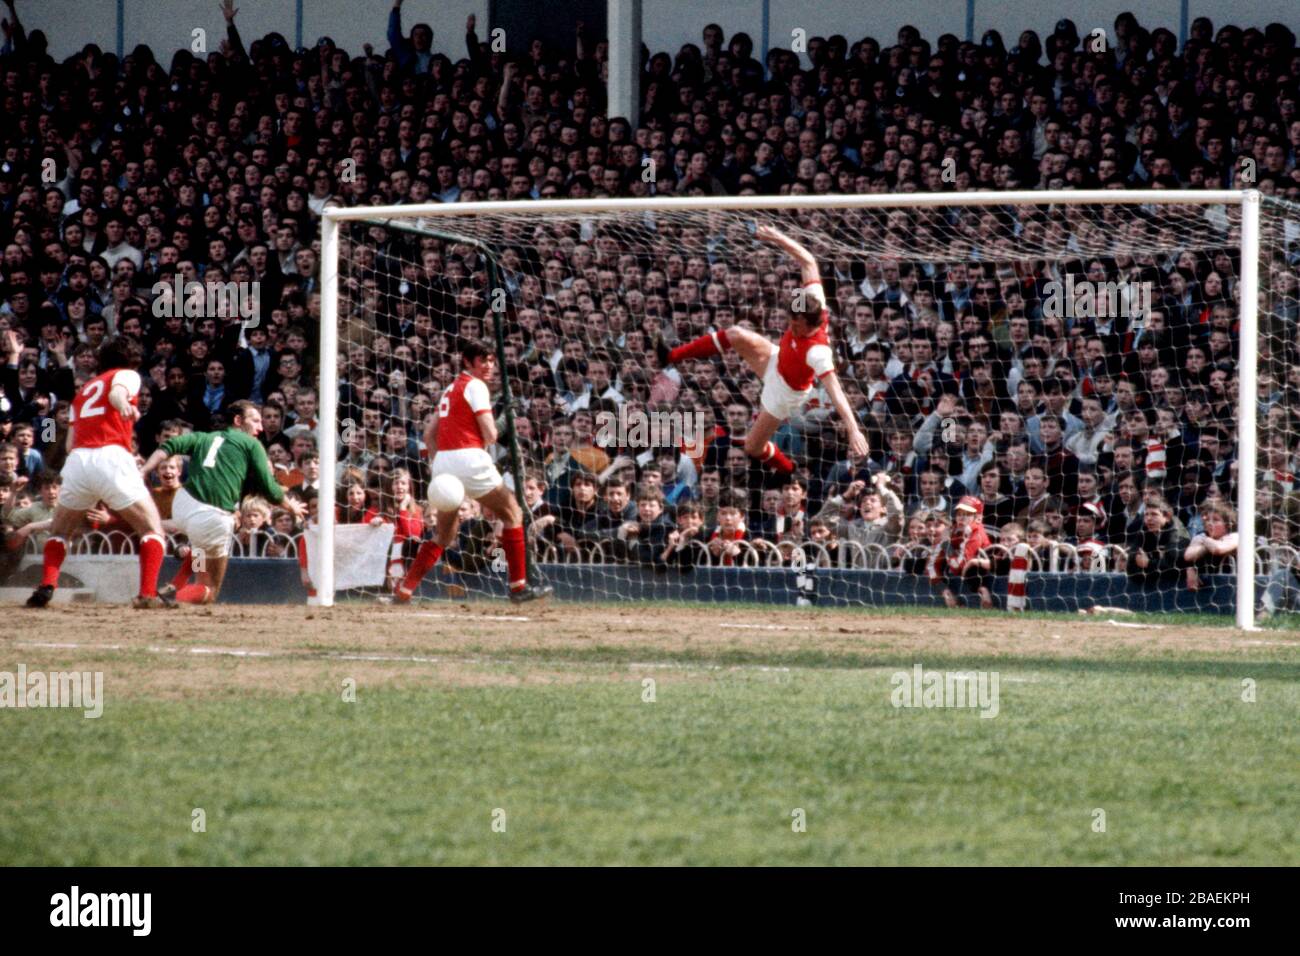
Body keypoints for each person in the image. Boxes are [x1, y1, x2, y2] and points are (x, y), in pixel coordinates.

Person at [658, 224, 869, 474]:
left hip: (785, 392)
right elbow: (808, 261)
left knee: (751, 446)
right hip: (776, 359)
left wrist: (853, 428)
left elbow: (836, 392)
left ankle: (789, 471)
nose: (791, 324)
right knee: (736, 334)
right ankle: (669, 356)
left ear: (811, 324)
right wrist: (777, 237)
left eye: (796, 324)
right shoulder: (810, 305)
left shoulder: (818, 352)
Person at [394, 340, 551, 603]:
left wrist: (439, 463)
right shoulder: (476, 386)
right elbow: (490, 435)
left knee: (443, 535)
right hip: (470, 458)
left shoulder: (449, 389)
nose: (489, 365)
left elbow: (428, 434)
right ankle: (518, 587)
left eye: (491, 360)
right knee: (513, 512)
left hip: (444, 463)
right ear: (468, 362)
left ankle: (404, 590)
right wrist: (504, 420)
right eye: (483, 361)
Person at [26, 338, 168, 609]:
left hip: (78, 459)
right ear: (132, 359)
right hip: (111, 455)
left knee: (59, 531)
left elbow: (69, 442)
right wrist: (123, 404)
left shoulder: (86, 389)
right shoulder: (126, 374)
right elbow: (117, 392)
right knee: (152, 529)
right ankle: (147, 594)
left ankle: (47, 585)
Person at [140, 399, 306, 604]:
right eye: (255, 421)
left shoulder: (203, 436)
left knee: (199, 554)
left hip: (183, 505)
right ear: (238, 420)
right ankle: (164, 598)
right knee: (210, 589)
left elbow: (169, 446)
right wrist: (291, 507)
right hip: (210, 516)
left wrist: (144, 470)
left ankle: (176, 585)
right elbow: (269, 488)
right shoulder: (250, 443)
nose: (260, 427)